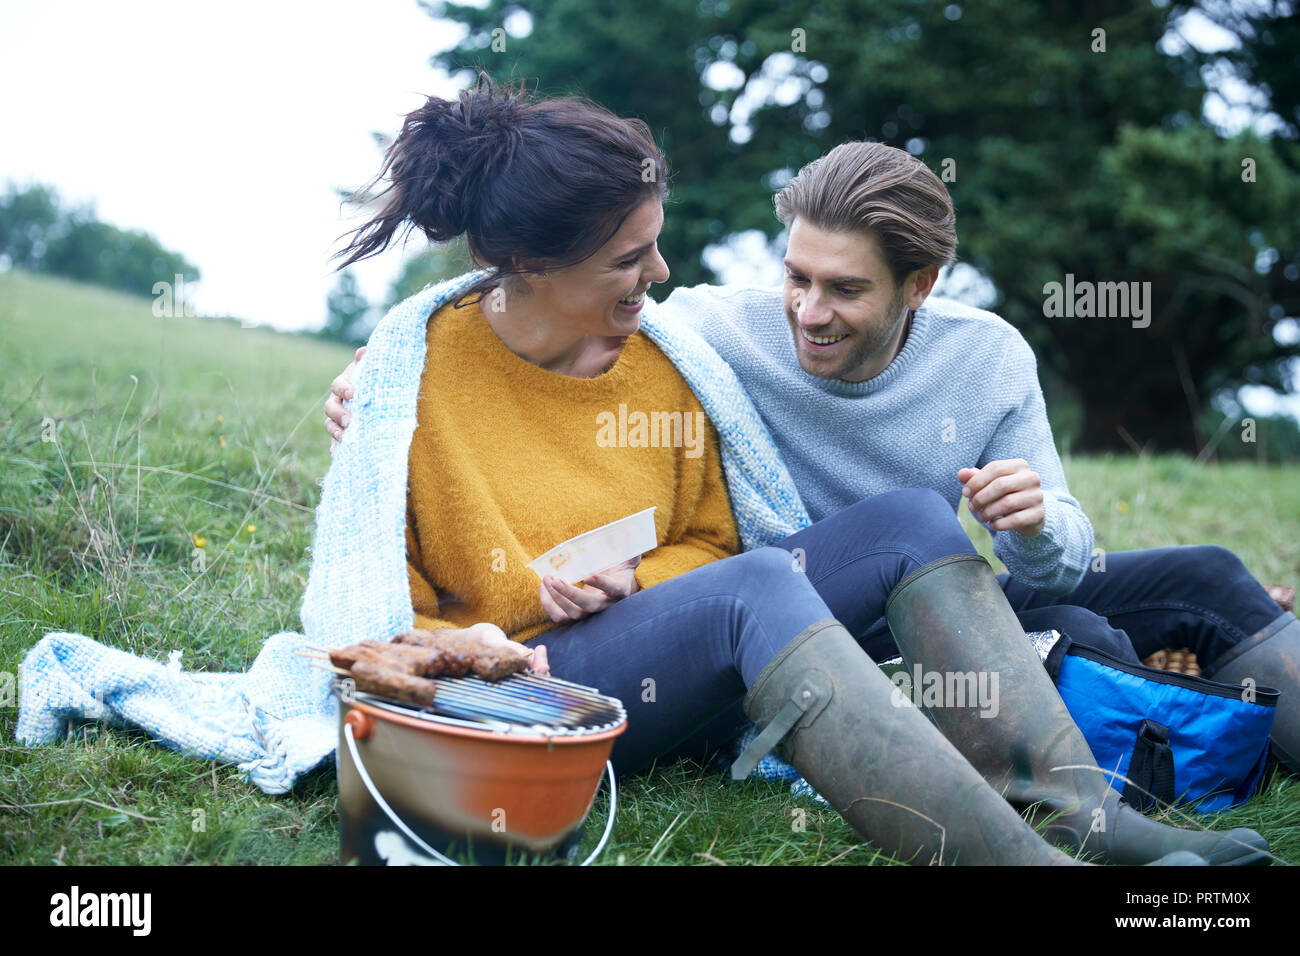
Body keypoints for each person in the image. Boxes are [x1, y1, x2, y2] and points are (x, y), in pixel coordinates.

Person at [326, 74, 1264, 864]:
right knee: (759, 588)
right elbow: (372, 618)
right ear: (535, 262)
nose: (659, 271)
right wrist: (481, 637)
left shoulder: (668, 357)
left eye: (657, 241)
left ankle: (1086, 810)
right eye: (629, 257)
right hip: (511, 689)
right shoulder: (411, 384)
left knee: (909, 521)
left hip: (661, 667)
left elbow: (708, 537)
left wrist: (635, 580)